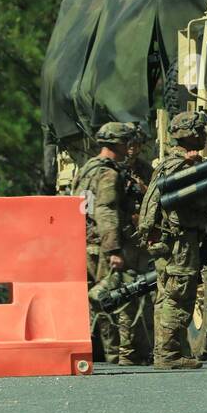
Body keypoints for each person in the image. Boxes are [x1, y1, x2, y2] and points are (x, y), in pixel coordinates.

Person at [138, 111, 207, 370]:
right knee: (179, 294)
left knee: (165, 295)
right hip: (181, 241)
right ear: (194, 135)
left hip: (166, 240)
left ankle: (165, 351)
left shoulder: (165, 164)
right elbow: (201, 202)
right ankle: (169, 355)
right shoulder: (184, 168)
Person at [75, 122, 136, 363]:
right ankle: (112, 356)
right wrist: (113, 250)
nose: (128, 148)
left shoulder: (87, 168)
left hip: (84, 240)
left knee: (91, 300)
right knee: (107, 300)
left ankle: (88, 351)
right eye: (126, 143)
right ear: (118, 144)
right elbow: (106, 210)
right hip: (100, 244)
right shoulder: (109, 173)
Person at [115, 124, 154, 365]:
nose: (133, 150)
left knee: (147, 297)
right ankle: (125, 352)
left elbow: (155, 197)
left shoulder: (145, 170)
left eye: (137, 145)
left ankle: (144, 349)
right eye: (129, 145)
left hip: (143, 240)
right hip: (123, 240)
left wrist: (143, 188)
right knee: (125, 298)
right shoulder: (113, 171)